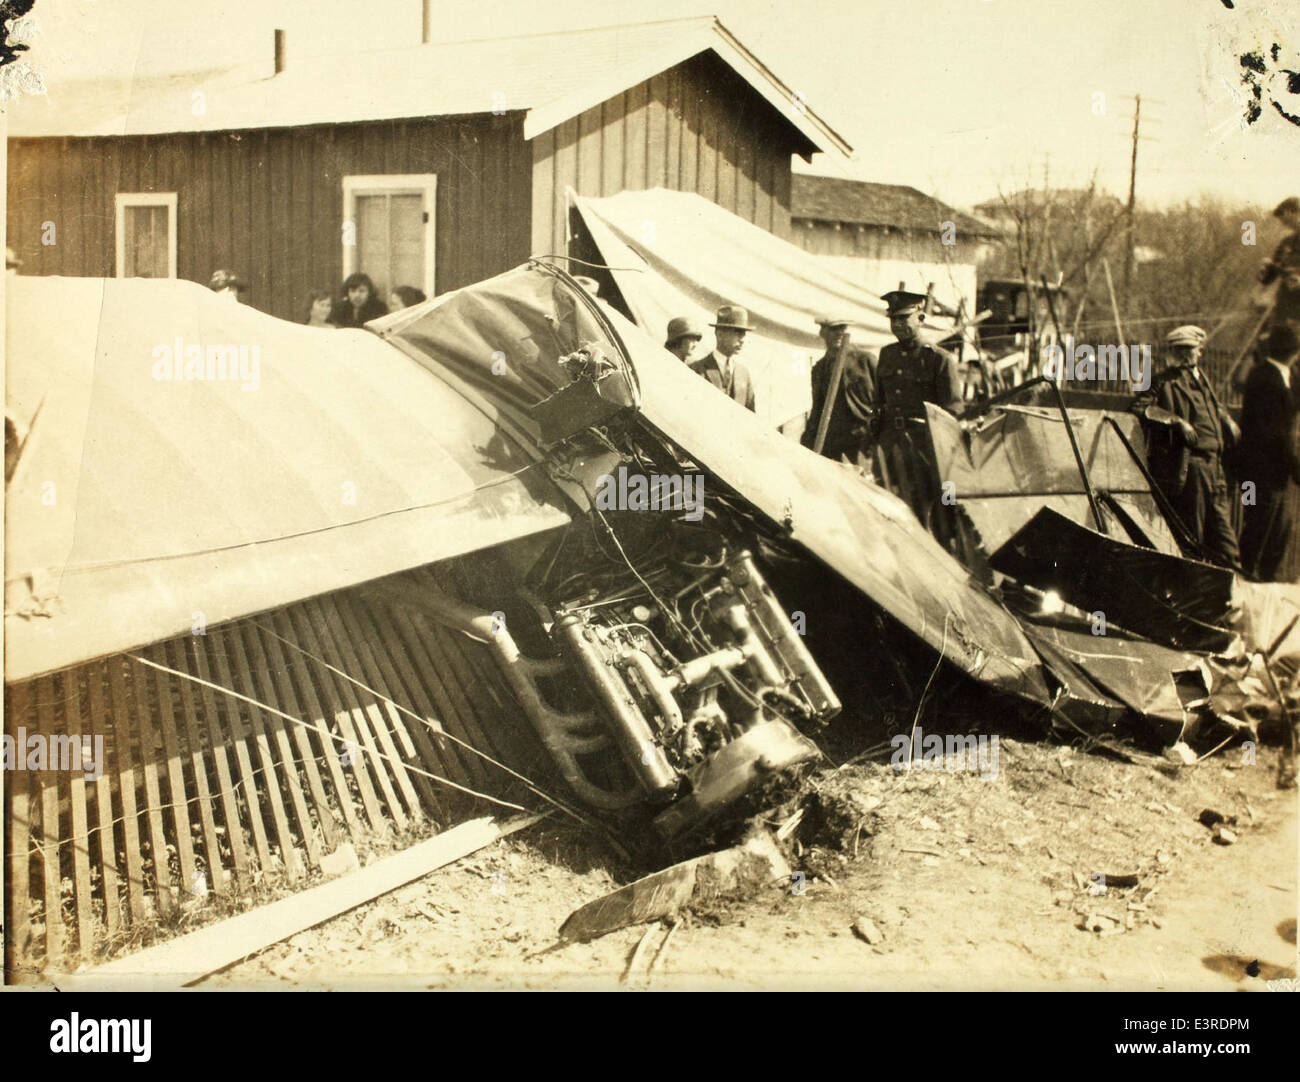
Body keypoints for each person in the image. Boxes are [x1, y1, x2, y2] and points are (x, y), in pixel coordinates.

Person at [1130, 325, 1241, 569]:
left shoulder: (1201, 379)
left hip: (1215, 467)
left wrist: (1226, 419)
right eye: (1182, 350)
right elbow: (1139, 408)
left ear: (1199, 350)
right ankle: (1195, 593)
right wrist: (1175, 421)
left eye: (1191, 349)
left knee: (1225, 539)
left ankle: (1232, 588)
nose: (1187, 355)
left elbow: (1211, 407)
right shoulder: (1164, 381)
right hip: (1192, 468)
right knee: (1193, 536)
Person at [867, 291, 961, 522]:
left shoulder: (939, 359)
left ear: (920, 319)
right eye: (893, 319)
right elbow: (879, 403)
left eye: (903, 318)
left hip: (925, 450)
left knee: (926, 513)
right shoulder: (887, 354)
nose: (897, 324)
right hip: (891, 446)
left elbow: (952, 413)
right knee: (887, 509)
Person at [1237, 324, 1300, 581]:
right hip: (1258, 474)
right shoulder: (1268, 379)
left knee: (1275, 529)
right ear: (1295, 352)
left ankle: (1259, 580)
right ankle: (1247, 579)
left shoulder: (1278, 375)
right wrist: (1296, 468)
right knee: (1259, 526)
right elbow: (1275, 434)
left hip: (1265, 474)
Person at [801, 317, 876, 461]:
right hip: (833, 440)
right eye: (834, 329)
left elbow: (882, 400)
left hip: (862, 439)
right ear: (822, 332)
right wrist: (807, 442)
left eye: (843, 329)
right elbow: (817, 408)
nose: (839, 334)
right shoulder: (820, 368)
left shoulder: (865, 360)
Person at [690, 305, 756, 412]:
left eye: (744, 334)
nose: (742, 340)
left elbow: (752, 416)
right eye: (737, 333)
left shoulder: (744, 374)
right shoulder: (696, 370)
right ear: (720, 335)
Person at [1259, 196, 1300, 331]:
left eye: (1283, 217)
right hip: (1287, 310)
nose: (1282, 223)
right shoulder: (1286, 242)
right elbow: (1268, 277)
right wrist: (1266, 268)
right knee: (1280, 348)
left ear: (1292, 212)